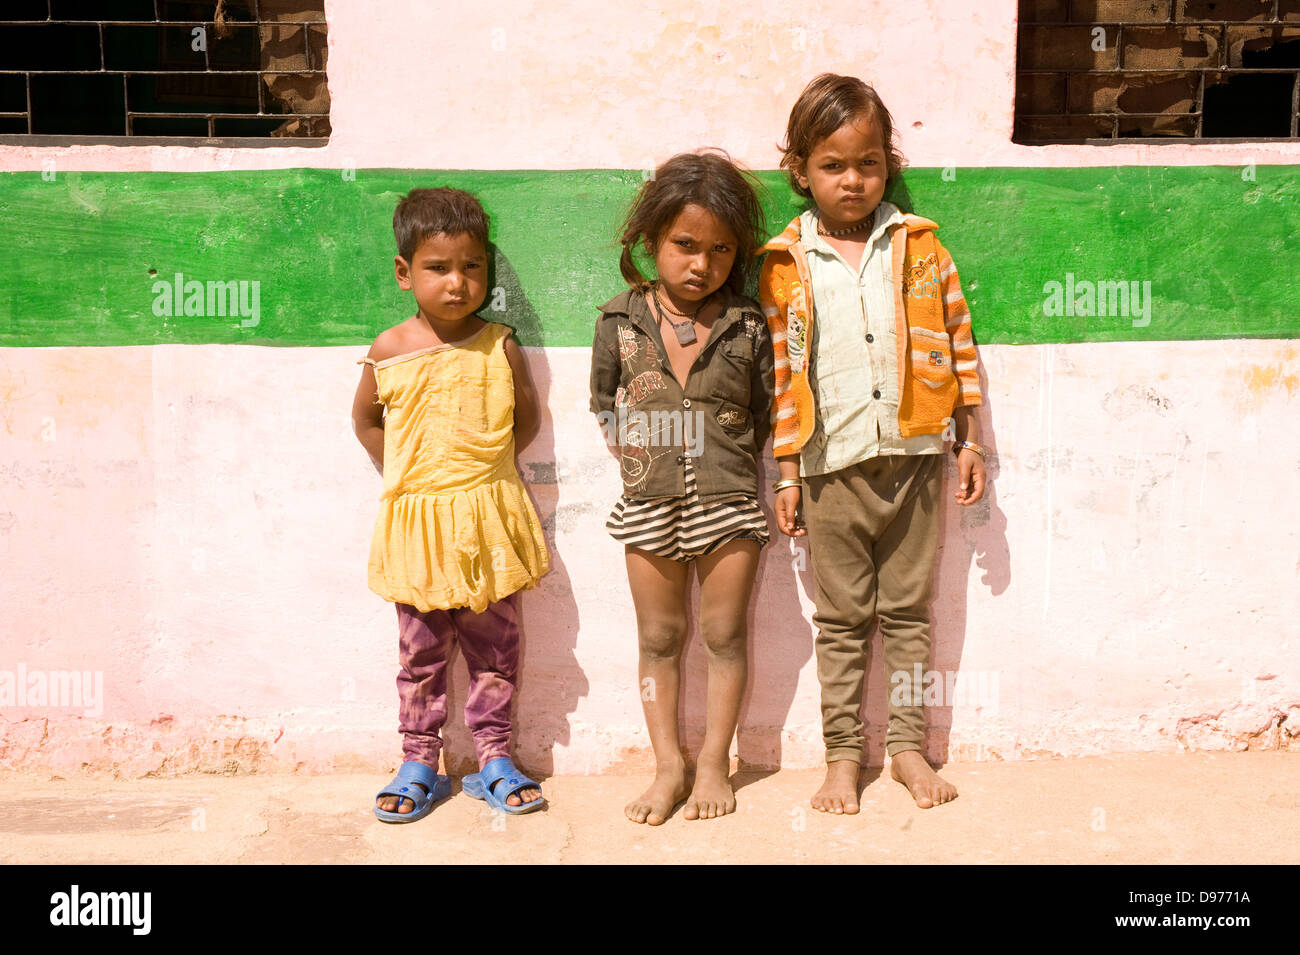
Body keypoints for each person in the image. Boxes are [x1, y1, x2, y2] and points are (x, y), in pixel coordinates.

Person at [760, 74, 989, 812]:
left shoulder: (921, 248)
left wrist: (970, 439)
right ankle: (842, 757)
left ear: (888, 162)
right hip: (830, 467)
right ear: (799, 169)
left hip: (918, 457)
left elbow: (960, 344)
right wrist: (788, 469)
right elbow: (780, 371)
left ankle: (907, 750)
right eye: (832, 166)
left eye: (867, 163)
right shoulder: (785, 264)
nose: (851, 181)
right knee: (841, 619)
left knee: (908, 613)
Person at [353, 187, 550, 821]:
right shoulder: (388, 349)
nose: (458, 283)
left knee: (497, 648)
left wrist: (483, 474)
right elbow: (365, 419)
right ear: (405, 272)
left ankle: (494, 756)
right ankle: (419, 759)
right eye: (439, 268)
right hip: (420, 526)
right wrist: (411, 475)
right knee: (420, 651)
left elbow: (526, 417)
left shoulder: (500, 344)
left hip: (489, 520)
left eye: (472, 267)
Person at [590, 151, 774, 825]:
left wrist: (720, 462)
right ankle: (667, 762)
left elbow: (761, 411)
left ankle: (712, 762)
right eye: (685, 246)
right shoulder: (617, 321)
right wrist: (649, 460)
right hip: (648, 504)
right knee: (660, 637)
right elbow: (604, 402)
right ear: (651, 242)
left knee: (725, 634)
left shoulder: (749, 324)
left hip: (728, 504)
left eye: (721, 250)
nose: (701, 264)